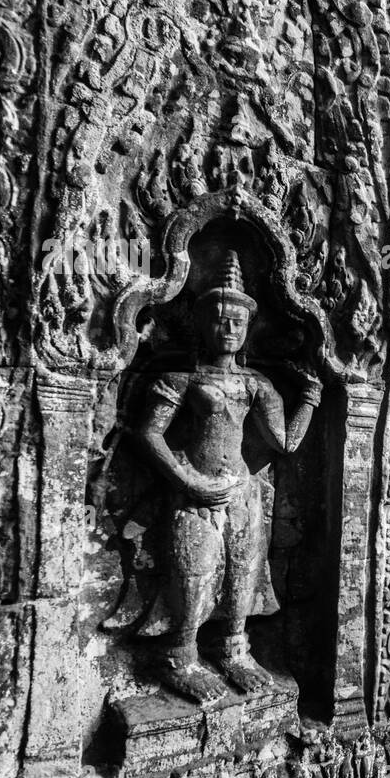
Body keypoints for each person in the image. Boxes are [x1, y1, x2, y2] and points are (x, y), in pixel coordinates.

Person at [136, 251, 321, 704]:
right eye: (219, 319)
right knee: (194, 571)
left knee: (244, 571)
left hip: (242, 490)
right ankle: (182, 654)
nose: (229, 328)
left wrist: (311, 397)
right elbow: (149, 433)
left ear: (248, 328)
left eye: (238, 321)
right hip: (195, 490)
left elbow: (285, 444)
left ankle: (235, 648)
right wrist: (187, 481)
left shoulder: (257, 385)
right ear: (200, 323)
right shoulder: (182, 379)